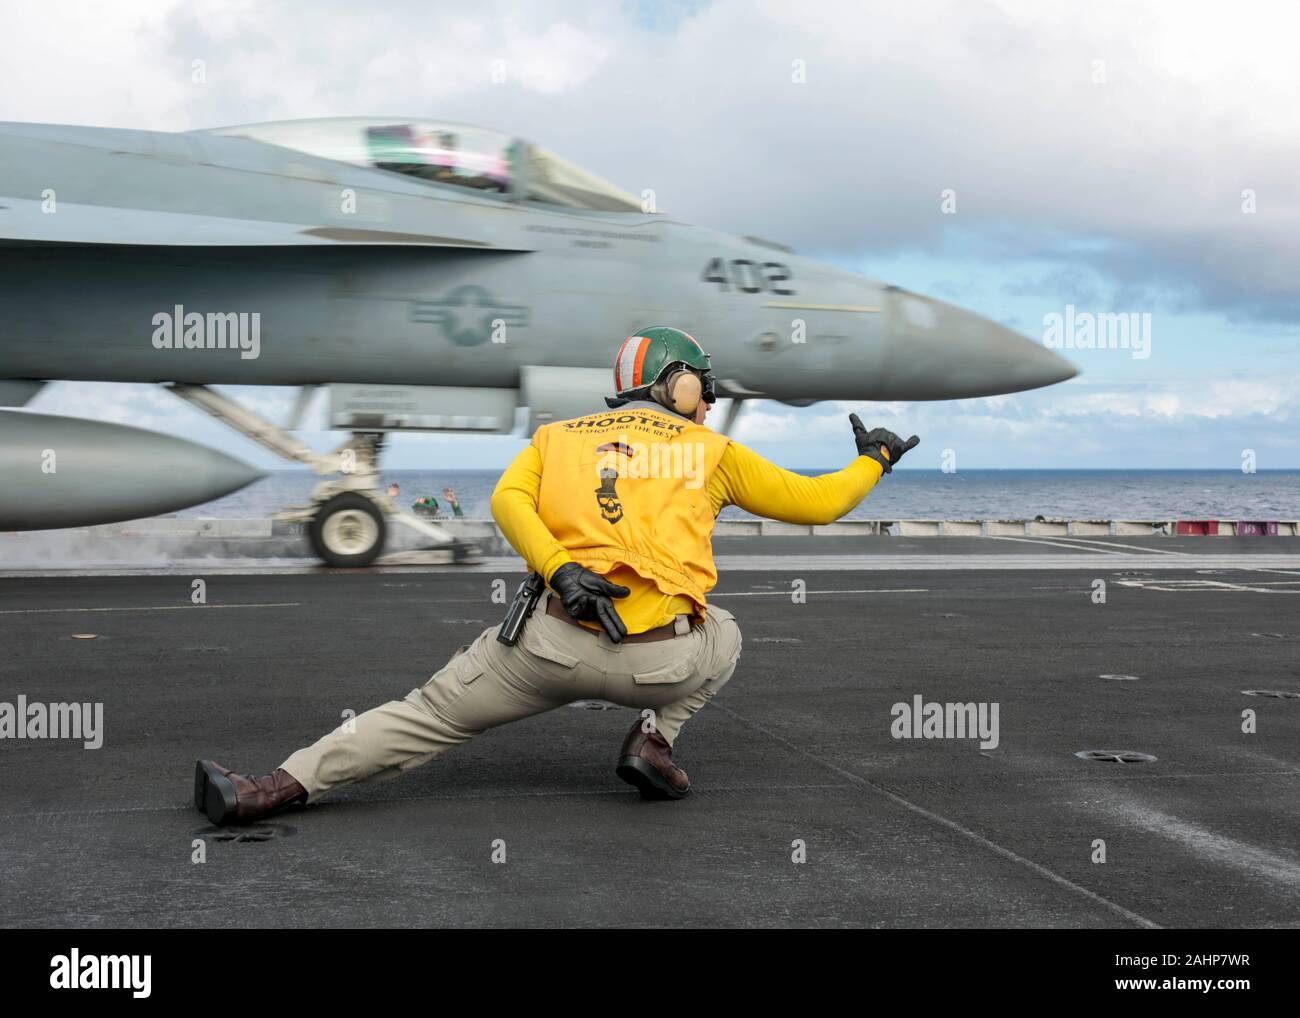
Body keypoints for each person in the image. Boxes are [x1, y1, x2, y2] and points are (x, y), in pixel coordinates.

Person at [193, 326, 918, 824]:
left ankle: (270, 789)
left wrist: (561, 568)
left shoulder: (557, 437)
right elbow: (819, 502)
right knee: (724, 634)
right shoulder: (711, 450)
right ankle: (653, 741)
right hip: (661, 662)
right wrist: (875, 459)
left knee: (425, 716)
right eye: (702, 383)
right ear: (672, 382)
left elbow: (506, 501)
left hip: (546, 648)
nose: (711, 398)